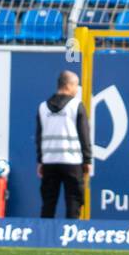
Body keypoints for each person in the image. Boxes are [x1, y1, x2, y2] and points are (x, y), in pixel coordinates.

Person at [37, 70, 92, 220]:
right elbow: (84, 135)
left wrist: (40, 160)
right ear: (69, 85)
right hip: (72, 162)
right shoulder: (76, 105)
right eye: (76, 85)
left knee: (48, 204)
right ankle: (71, 238)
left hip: (49, 162)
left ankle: (44, 239)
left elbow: (39, 137)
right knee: (74, 203)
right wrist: (87, 160)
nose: (77, 89)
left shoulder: (43, 107)